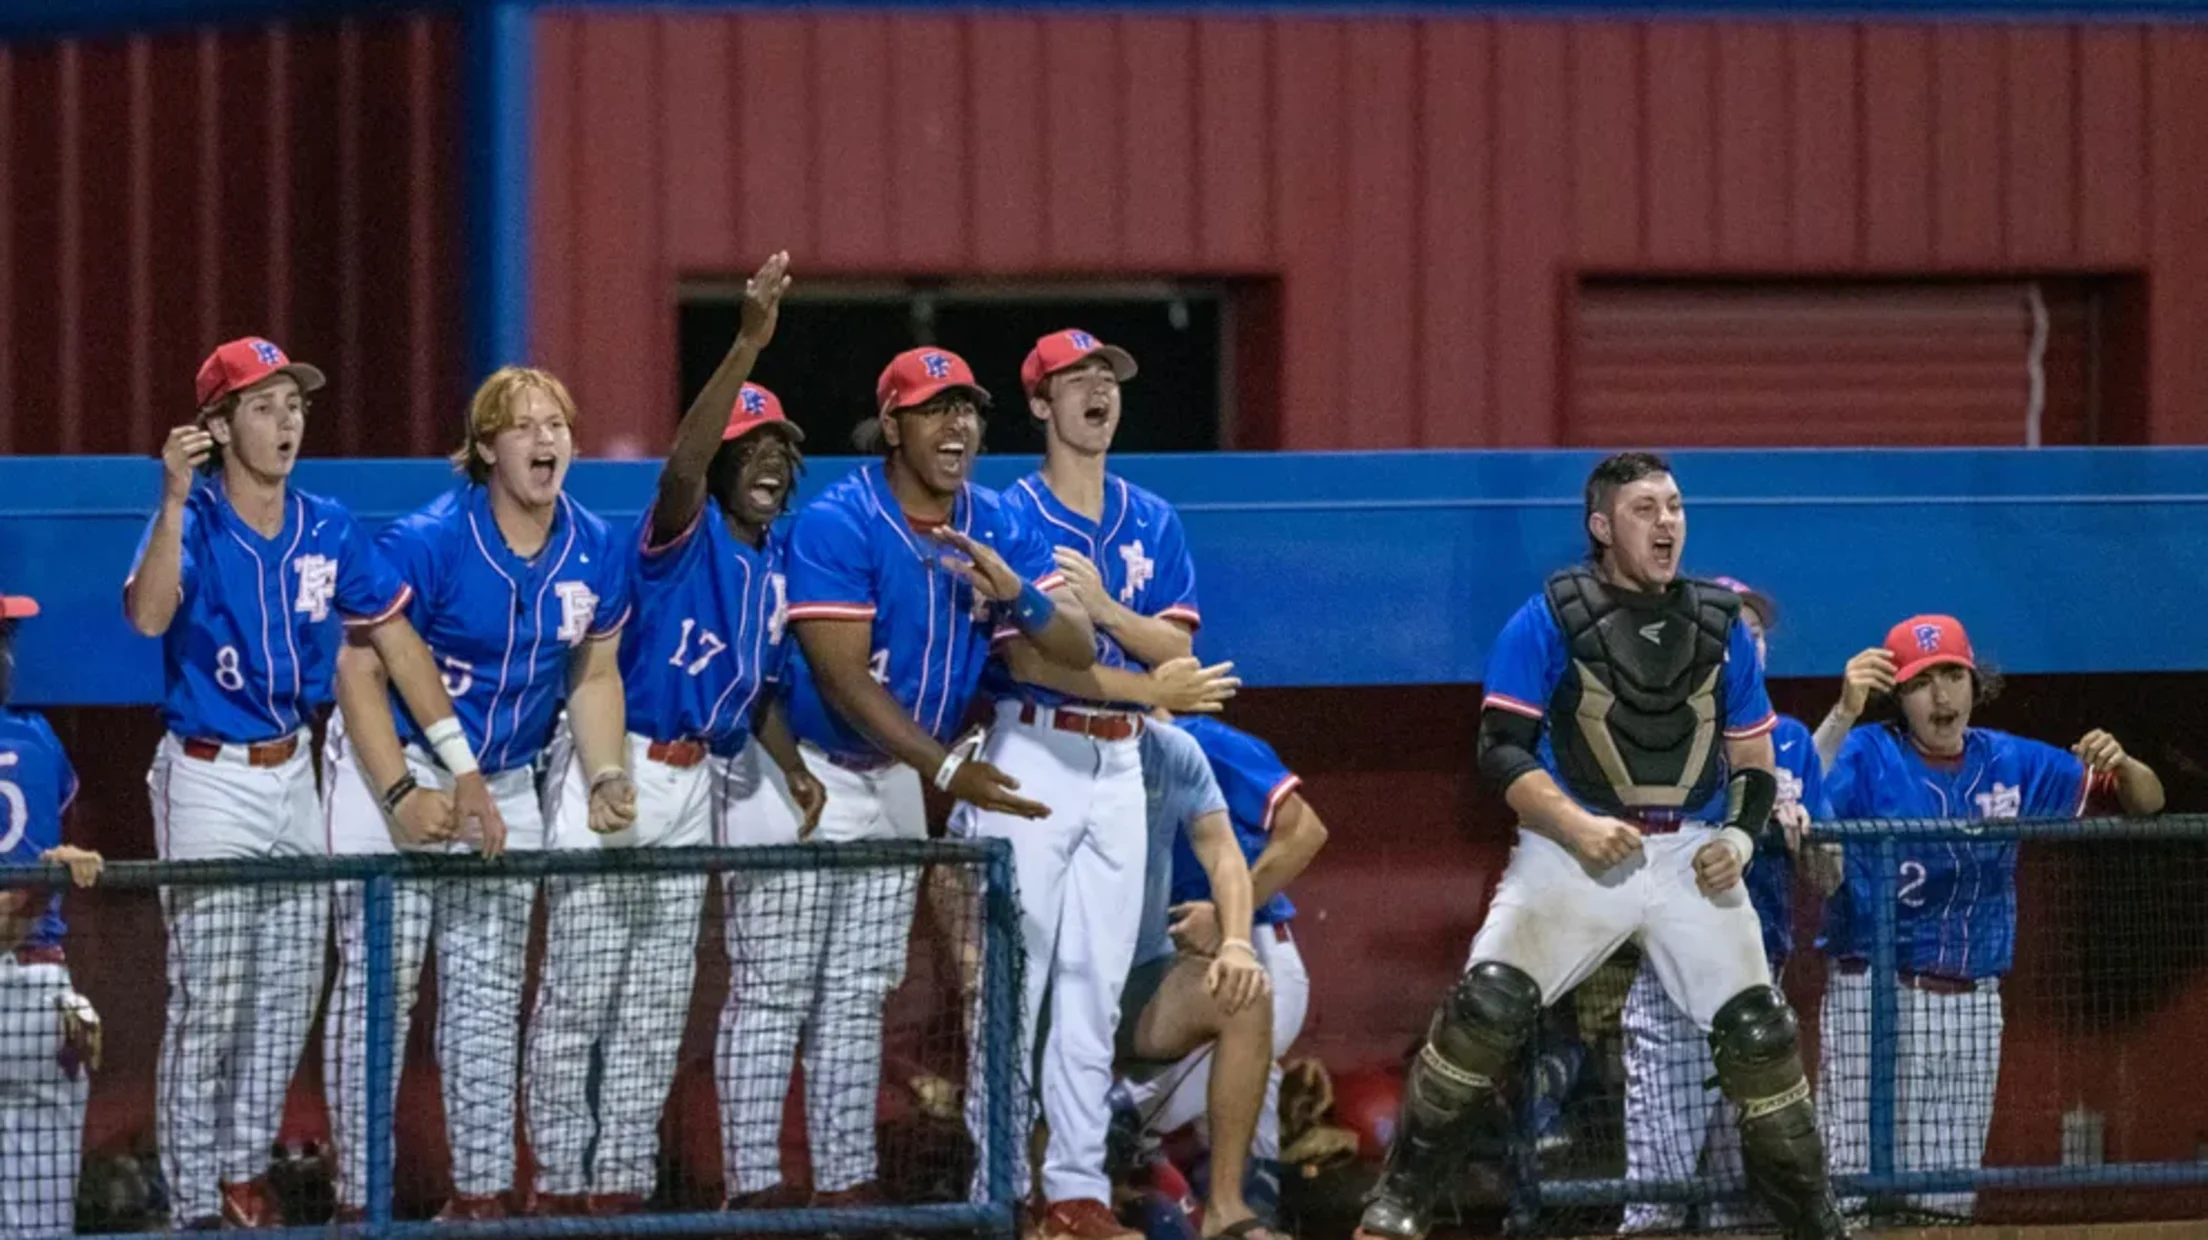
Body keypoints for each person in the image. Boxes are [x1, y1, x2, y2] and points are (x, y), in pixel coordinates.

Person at [1354, 452, 1847, 1240]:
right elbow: (1500, 752)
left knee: (1761, 1033)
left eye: (1675, 506)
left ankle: (1817, 1223)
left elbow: (1754, 760)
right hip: (1572, 845)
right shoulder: (1548, 617)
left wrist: (1739, 838)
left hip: (1690, 851)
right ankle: (1400, 1201)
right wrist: (1577, 827)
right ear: (1601, 526)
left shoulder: (1722, 626)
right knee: (1487, 1006)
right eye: (1645, 508)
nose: (1667, 522)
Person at [122, 338, 497, 1229]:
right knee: (213, 994)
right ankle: (192, 1200)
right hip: (208, 773)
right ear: (218, 427)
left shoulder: (326, 525)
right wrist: (171, 497)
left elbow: (397, 641)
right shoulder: (194, 516)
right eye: (262, 406)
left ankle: (242, 1173)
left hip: (291, 766)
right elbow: (147, 616)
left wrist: (463, 767)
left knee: (290, 986)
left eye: (293, 404)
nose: (286, 420)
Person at [756, 345, 1095, 1211]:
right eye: (936, 409)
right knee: (772, 991)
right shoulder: (840, 520)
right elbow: (842, 679)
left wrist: (1018, 593)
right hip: (804, 770)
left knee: (860, 988)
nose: (958, 426)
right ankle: (752, 1192)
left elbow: (1076, 644)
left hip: (898, 777)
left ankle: (843, 1186)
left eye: (969, 409)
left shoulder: (995, 519)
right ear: (892, 424)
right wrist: (946, 768)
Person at [524, 253, 823, 1216]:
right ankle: (557, 1184)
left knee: (655, 1007)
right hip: (617, 762)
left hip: (695, 783)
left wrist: (792, 767)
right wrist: (746, 345)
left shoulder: (775, 561)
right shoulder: (681, 532)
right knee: (578, 999)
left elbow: (759, 690)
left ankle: (618, 1185)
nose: (768, 463)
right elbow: (683, 464)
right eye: (751, 448)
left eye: (781, 450)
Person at [324, 365, 634, 1220]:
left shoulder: (594, 546)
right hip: (396, 763)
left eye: (556, 425)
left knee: (488, 999)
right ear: (487, 448)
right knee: (379, 991)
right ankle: (360, 1202)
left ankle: (482, 1197)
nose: (545, 440)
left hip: (505, 778)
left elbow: (594, 673)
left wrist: (607, 771)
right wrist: (398, 795)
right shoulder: (429, 539)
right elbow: (357, 670)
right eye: (524, 426)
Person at [945, 328, 1206, 1239]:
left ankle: (1075, 1189)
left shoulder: (1151, 517)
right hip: (1032, 745)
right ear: (1039, 403)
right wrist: (1148, 681)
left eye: (1108, 377)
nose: (1099, 391)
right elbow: (1032, 660)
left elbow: (1178, 647)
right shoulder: (1009, 512)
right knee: (1013, 983)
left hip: (1122, 761)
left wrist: (1103, 610)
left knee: (1095, 986)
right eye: (1076, 379)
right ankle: (997, 1186)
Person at [1812, 614, 2163, 1222]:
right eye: (1922, 682)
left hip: (1972, 1004)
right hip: (1873, 995)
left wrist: (2126, 764)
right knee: (1852, 1195)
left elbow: (2149, 803)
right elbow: (1792, 792)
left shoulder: (2010, 759)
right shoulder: (1868, 753)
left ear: (1976, 682)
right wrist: (1843, 713)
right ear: (1898, 696)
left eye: (1954, 676)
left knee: (1944, 1205)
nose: (1941, 696)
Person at [1617, 578, 1842, 1234]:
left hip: (1757, 977)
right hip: (1675, 984)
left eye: (1756, 633)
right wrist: (1739, 824)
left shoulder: (1791, 741)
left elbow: (1829, 879)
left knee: (1743, 1204)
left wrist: (1809, 838)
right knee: (1658, 1201)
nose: (1747, 643)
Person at [1136, 715, 1328, 1225]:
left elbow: (1307, 831)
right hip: (1179, 962)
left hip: (1254, 949)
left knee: (1124, 1119)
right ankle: (1249, 1213)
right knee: (1244, 1119)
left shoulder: (1205, 741)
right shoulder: (1104, 751)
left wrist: (1225, 918)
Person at [1111, 716, 1278, 1240]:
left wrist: (1235, 941)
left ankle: (1225, 1206)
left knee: (1244, 996)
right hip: (1055, 980)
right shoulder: (1035, 737)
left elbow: (1225, 851)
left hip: (1143, 975)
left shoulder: (1178, 747)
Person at [0, 590, 105, 1240]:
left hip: (39, 986)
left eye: (6, 638)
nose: (6, 655)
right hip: (38, 987)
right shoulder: (38, 738)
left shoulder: (40, 737)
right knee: (39, 1217)